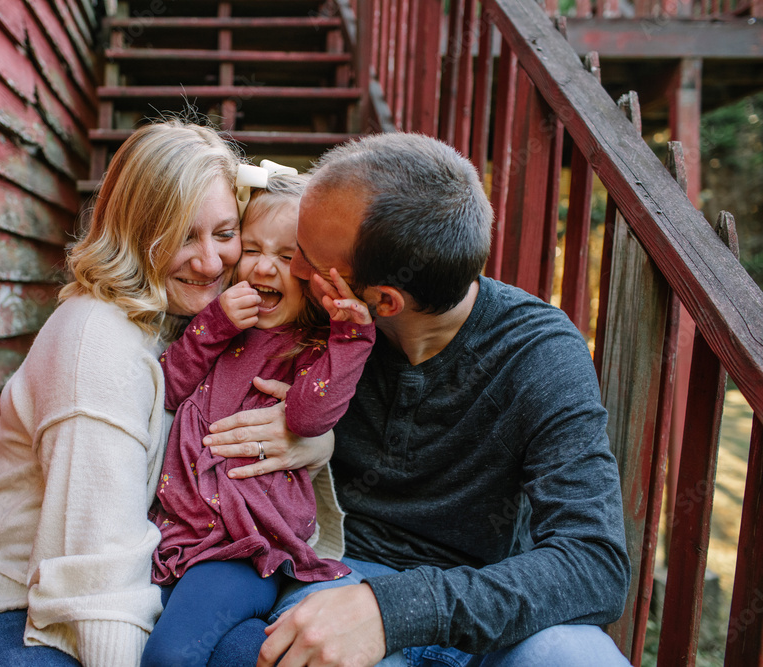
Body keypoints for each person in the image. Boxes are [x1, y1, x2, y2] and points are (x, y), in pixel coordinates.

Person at [210, 132, 632, 667]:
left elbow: (593, 564)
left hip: (490, 605)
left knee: (578, 658)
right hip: (336, 580)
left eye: (307, 260)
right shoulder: (305, 322)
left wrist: (397, 610)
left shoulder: (536, 353)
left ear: (383, 300)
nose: (291, 270)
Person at [0, 120, 335, 667]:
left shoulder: (178, 318)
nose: (212, 263)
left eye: (223, 232)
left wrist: (315, 443)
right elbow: (96, 557)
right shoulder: (96, 344)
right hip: (15, 612)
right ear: (135, 234)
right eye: (183, 235)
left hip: (140, 575)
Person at [142, 175, 375, 667]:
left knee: (168, 656)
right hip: (177, 536)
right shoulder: (217, 326)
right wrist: (216, 324)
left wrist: (350, 340)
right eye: (251, 248)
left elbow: (310, 418)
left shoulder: (310, 350)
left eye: (287, 258)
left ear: (315, 275)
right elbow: (168, 384)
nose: (265, 266)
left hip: (242, 548)